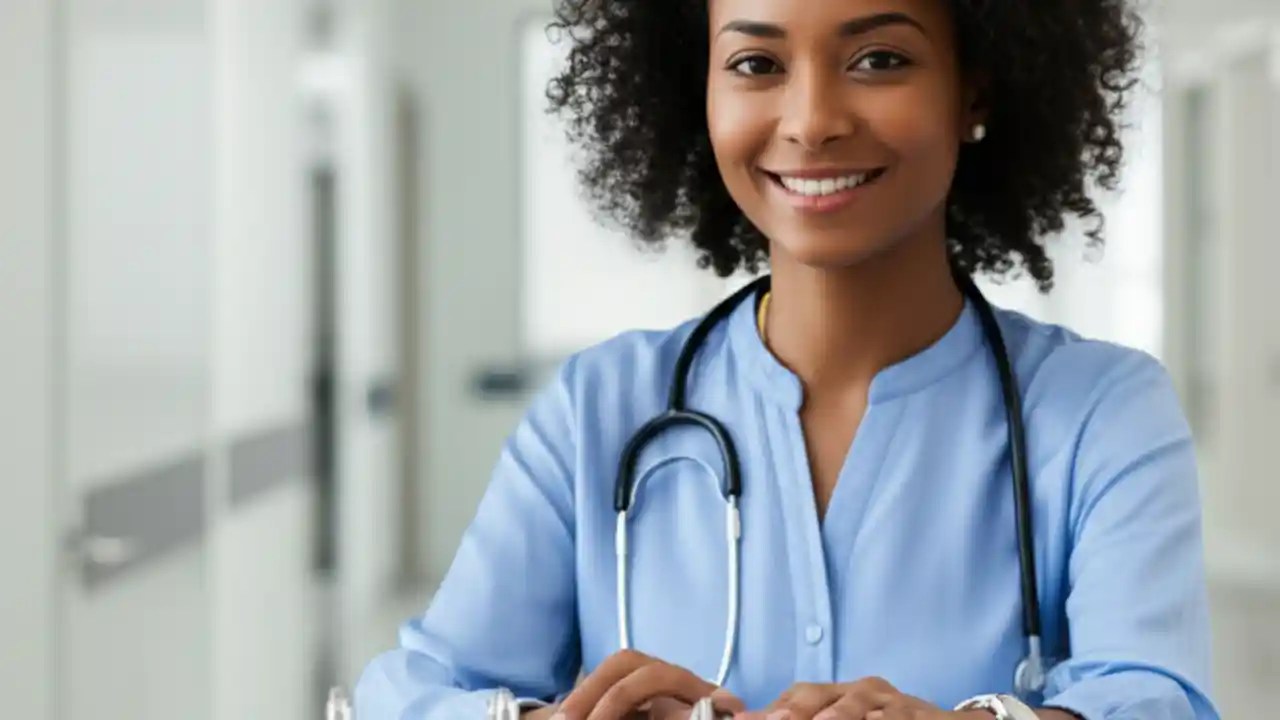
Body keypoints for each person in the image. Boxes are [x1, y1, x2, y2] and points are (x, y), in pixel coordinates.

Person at [355, 0, 1219, 718]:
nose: (811, 122)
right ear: (697, 91)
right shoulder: (599, 409)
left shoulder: (1101, 410)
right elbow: (408, 693)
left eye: (879, 60)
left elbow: (1157, 696)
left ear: (973, 91)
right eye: (756, 65)